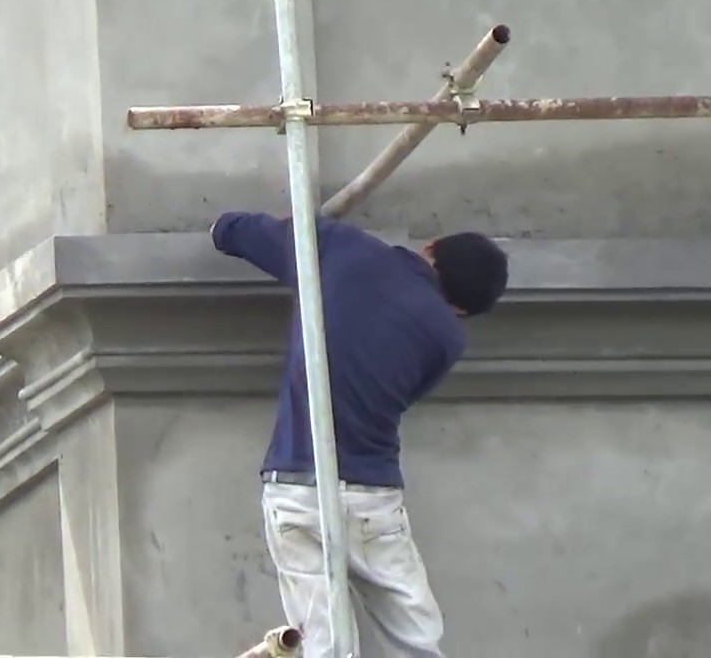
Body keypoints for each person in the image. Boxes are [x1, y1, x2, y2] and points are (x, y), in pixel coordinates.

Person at [210, 210, 509, 658]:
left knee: (321, 643)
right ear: (462, 308)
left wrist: (234, 227)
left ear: (432, 245)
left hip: (297, 483)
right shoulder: (447, 338)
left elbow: (233, 232)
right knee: (415, 636)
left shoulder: (340, 247)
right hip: (373, 496)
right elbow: (402, 393)